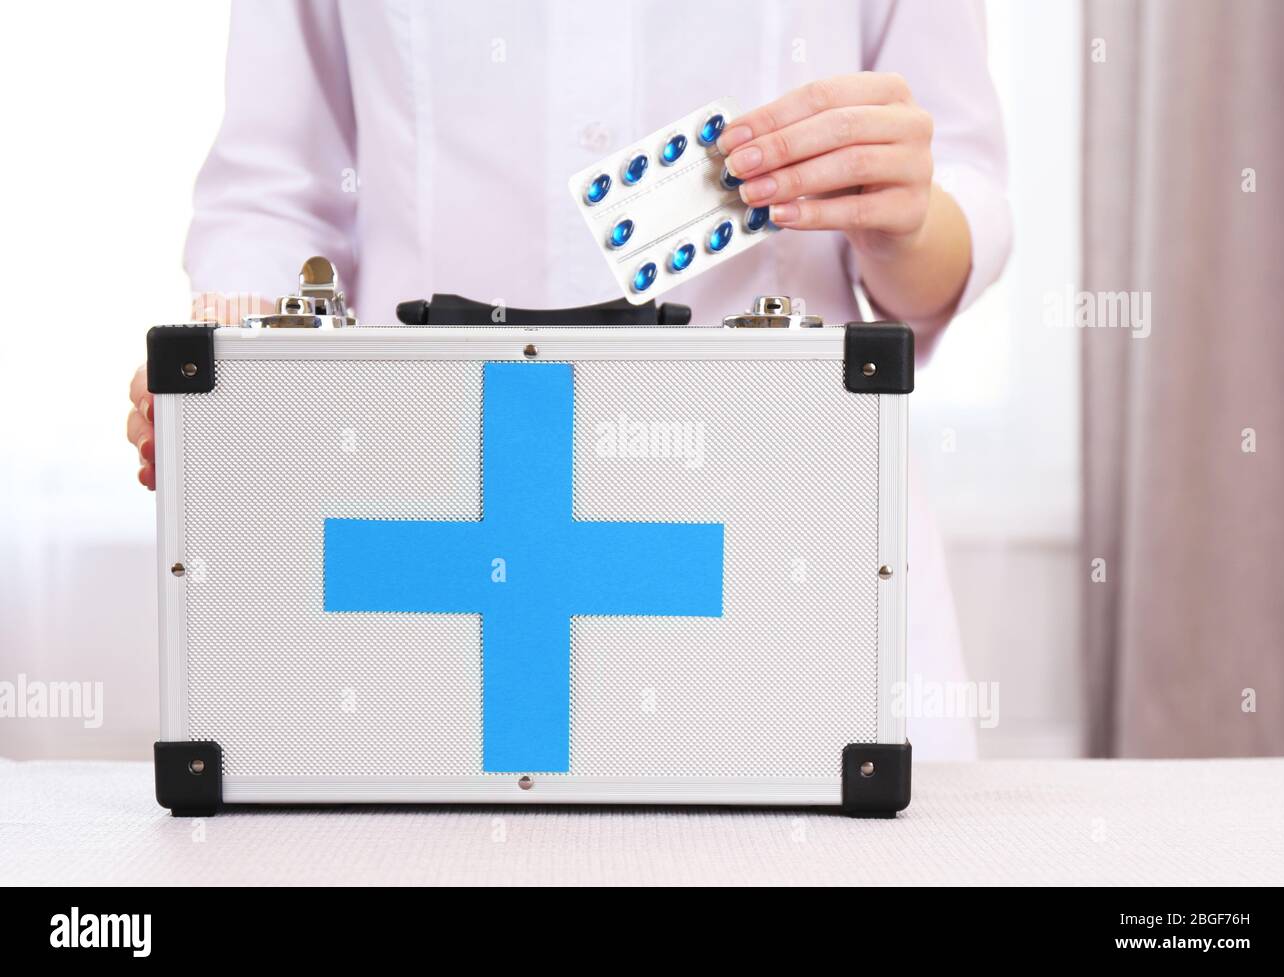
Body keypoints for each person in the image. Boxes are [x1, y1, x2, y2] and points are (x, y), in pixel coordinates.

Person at [126, 0, 1010, 759]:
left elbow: (962, 196)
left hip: (791, 531)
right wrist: (231, 383)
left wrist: (903, 217)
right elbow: (276, 194)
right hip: (422, 511)